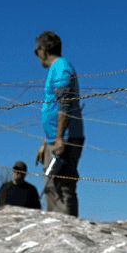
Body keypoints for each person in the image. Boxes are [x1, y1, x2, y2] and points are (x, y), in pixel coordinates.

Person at [33, 31, 85, 217]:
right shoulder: (56, 69)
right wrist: (44, 143)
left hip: (64, 138)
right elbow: (54, 110)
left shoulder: (61, 68)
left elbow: (65, 103)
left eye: (36, 50)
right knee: (53, 186)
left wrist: (60, 139)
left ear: (44, 50)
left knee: (61, 186)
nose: (36, 54)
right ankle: (57, 229)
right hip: (54, 138)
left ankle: (67, 231)